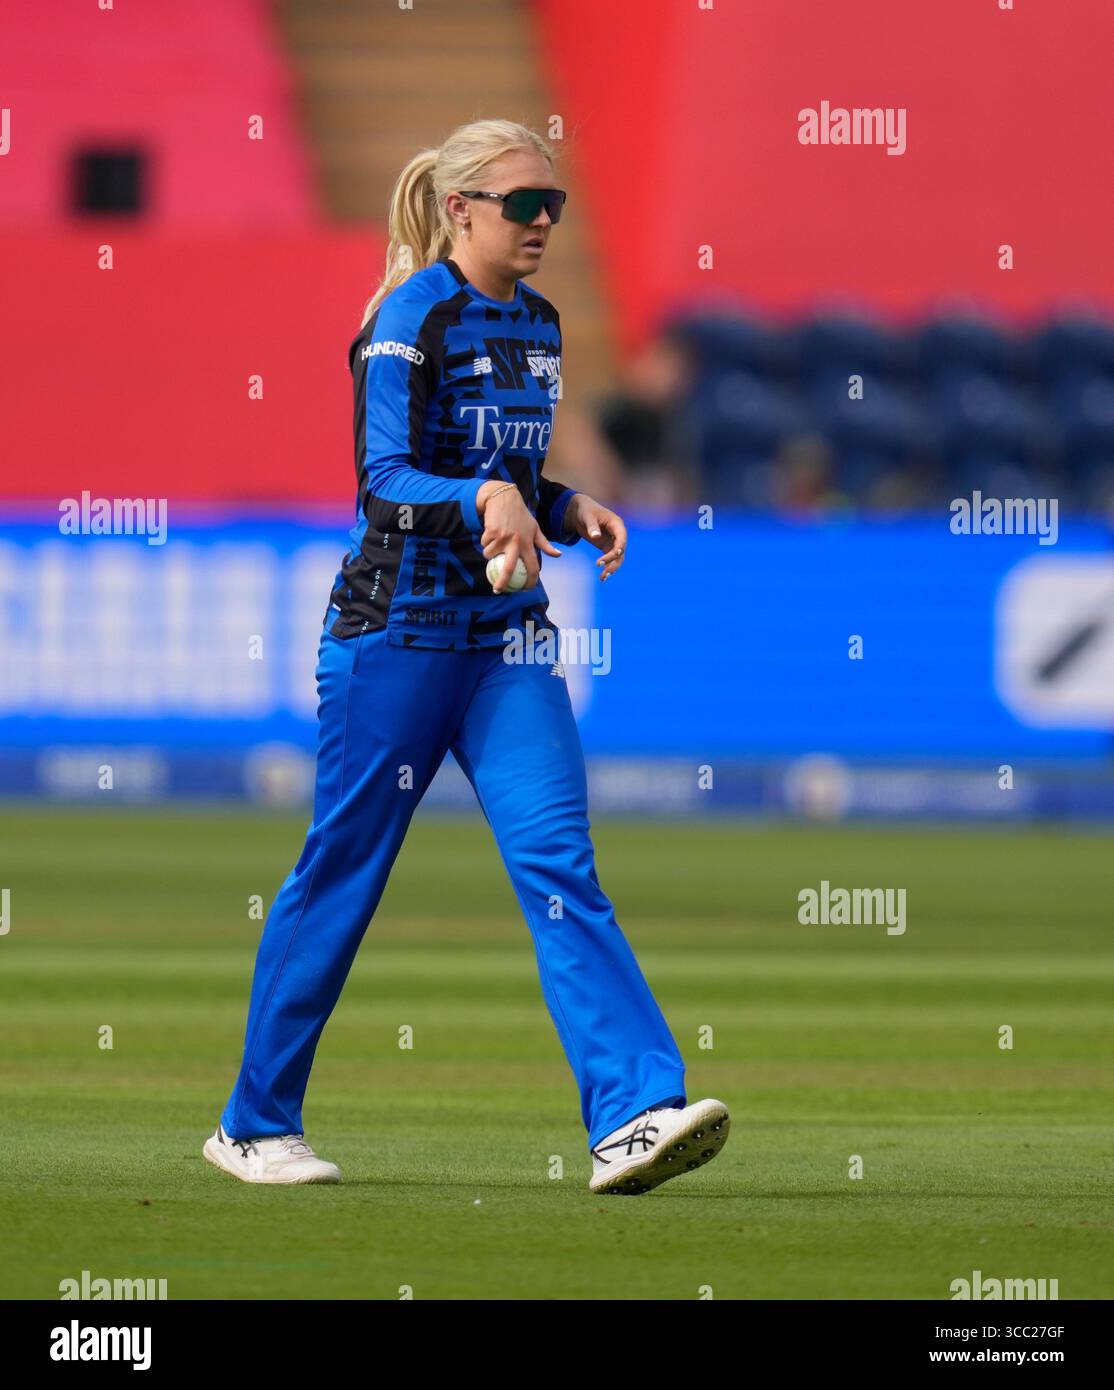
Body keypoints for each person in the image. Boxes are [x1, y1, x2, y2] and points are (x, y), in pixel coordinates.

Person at [203, 119, 729, 1195]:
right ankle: (254, 1125)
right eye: (521, 204)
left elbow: (509, 471)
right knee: (344, 870)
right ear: (460, 211)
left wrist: (563, 502)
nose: (542, 222)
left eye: (555, 205)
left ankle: (633, 1113)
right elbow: (385, 480)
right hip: (393, 635)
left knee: (558, 867)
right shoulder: (409, 317)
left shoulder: (538, 321)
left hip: (505, 641)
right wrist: (485, 496)